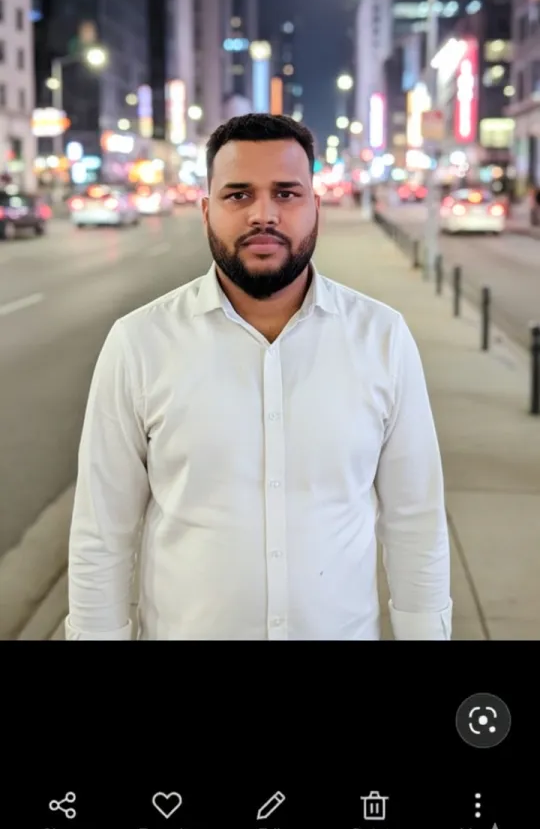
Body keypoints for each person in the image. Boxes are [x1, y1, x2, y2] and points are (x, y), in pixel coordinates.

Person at [66, 113, 452, 641]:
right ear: (206, 211)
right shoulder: (139, 343)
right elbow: (102, 532)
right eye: (238, 195)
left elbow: (416, 520)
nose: (263, 214)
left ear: (316, 206)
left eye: (287, 194)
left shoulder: (382, 339)